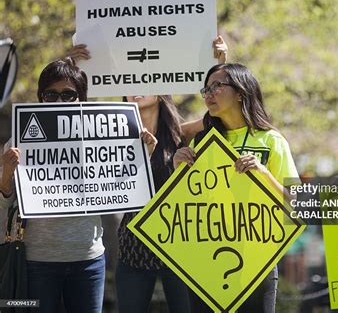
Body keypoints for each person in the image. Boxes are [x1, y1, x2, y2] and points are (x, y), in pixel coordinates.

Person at [69, 36, 228, 312]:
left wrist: (221, 63)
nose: (136, 87)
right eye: (129, 81)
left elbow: (220, 112)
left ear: (163, 87)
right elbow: (73, 119)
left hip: (179, 247)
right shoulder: (112, 136)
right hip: (133, 248)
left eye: (145, 80)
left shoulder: (181, 132)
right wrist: (74, 70)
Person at [173, 63, 300, 312]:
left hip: (257, 262)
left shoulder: (271, 140)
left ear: (241, 92)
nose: (208, 93)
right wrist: (179, 169)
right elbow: (188, 204)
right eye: (206, 88)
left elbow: (302, 205)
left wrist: (263, 174)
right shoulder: (202, 142)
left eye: (217, 86)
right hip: (205, 263)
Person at [0, 57, 109, 312]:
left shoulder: (101, 139)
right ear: (41, 98)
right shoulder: (20, 139)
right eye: (51, 95)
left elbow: (121, 186)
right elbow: (5, 201)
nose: (59, 101)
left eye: (68, 95)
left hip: (88, 260)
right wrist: (6, 174)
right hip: (38, 262)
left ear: (81, 99)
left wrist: (141, 152)